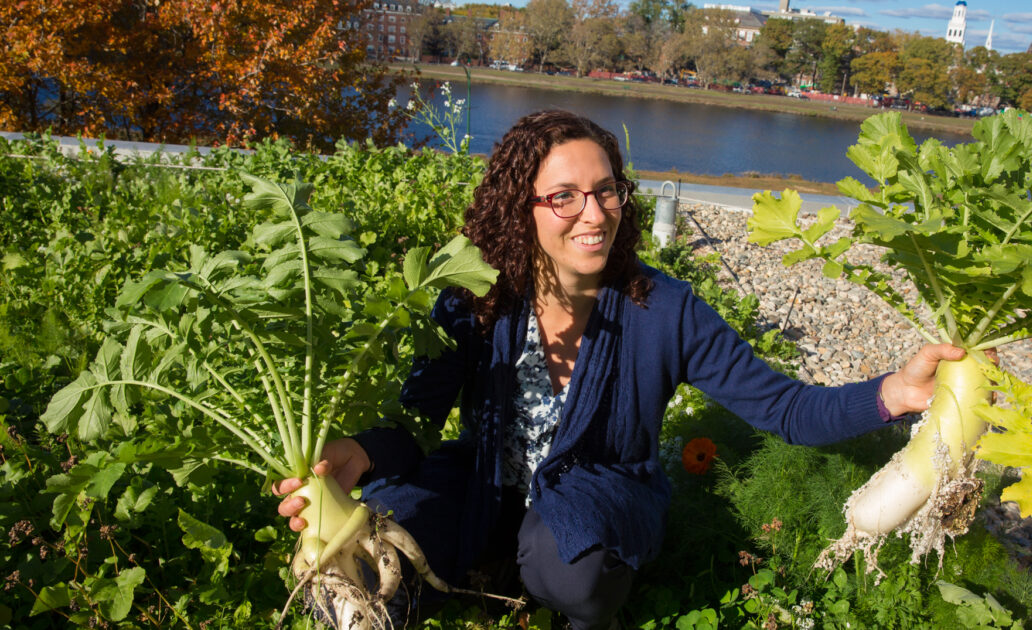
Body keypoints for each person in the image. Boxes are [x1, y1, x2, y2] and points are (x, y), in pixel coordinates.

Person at [275, 109, 965, 629]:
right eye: (564, 196)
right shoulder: (475, 299)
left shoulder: (662, 309)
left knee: (567, 566)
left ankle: (563, 585)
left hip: (602, 491)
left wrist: (893, 392)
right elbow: (415, 424)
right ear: (522, 208)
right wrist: (357, 455)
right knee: (372, 557)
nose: (594, 214)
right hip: (484, 482)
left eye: (606, 192)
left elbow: (784, 409)